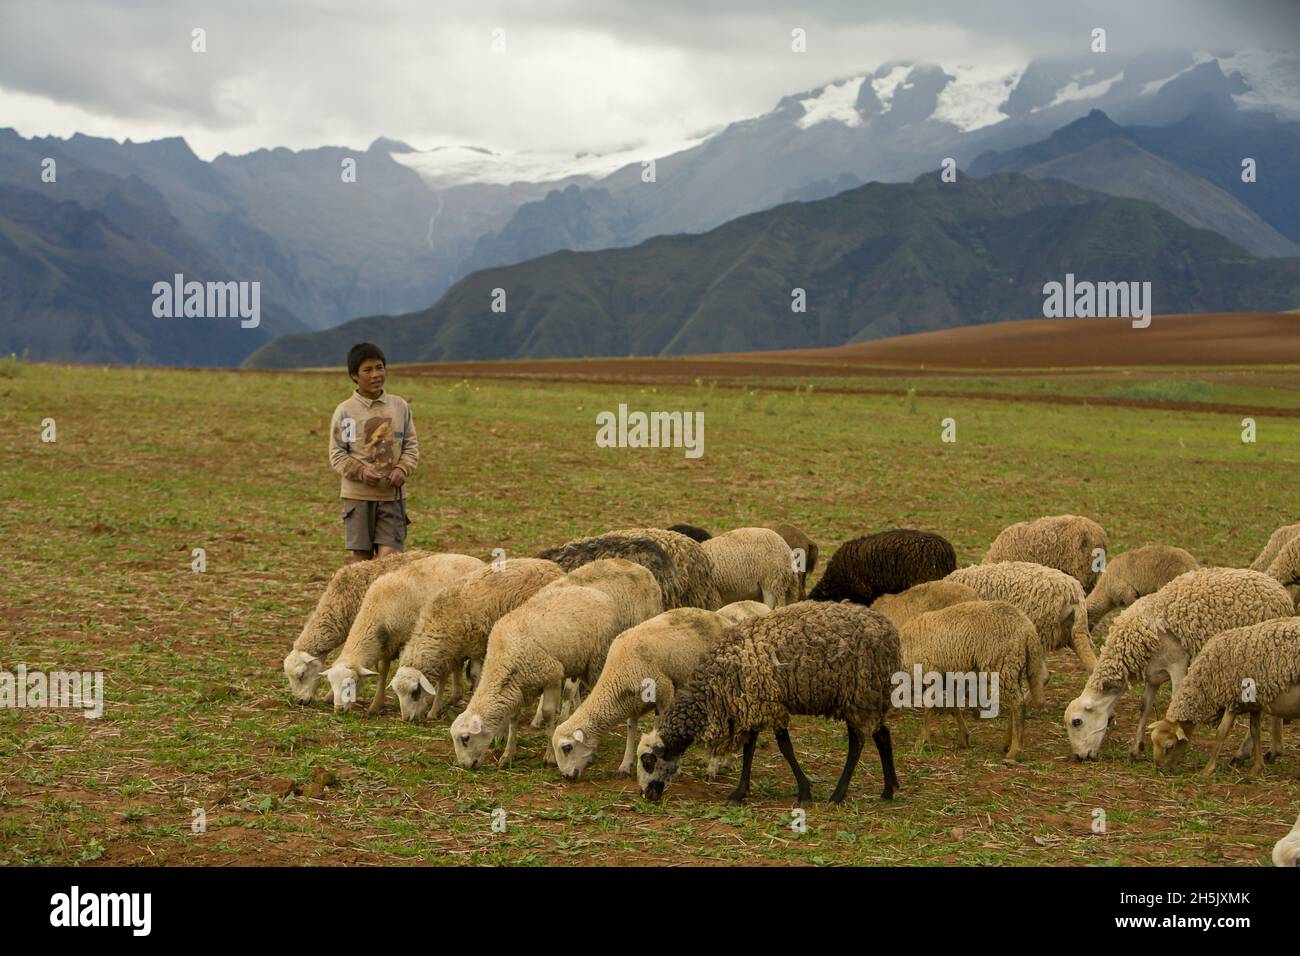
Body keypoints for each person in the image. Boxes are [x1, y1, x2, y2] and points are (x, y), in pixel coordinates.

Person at [328, 343, 419, 562]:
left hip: (392, 496)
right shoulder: (346, 411)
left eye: (379, 368)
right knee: (361, 563)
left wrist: (402, 468)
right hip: (358, 497)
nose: (376, 375)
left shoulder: (400, 407)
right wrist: (360, 471)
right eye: (367, 370)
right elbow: (338, 453)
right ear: (354, 376)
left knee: (389, 561)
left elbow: (410, 445)